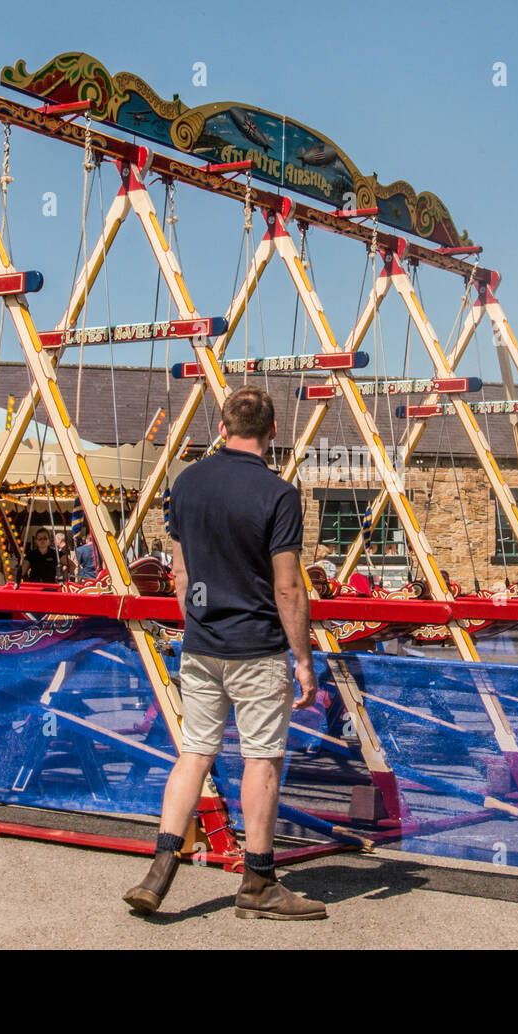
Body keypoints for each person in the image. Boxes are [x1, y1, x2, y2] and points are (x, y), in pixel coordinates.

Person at [123, 386, 325, 921]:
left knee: (194, 753)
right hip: (255, 646)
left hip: (202, 641)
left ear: (221, 428)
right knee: (261, 758)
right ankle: (258, 881)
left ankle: (159, 871)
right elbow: (288, 589)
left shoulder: (186, 483)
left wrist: (198, 626)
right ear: (273, 432)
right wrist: (303, 660)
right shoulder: (278, 495)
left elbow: (182, 574)